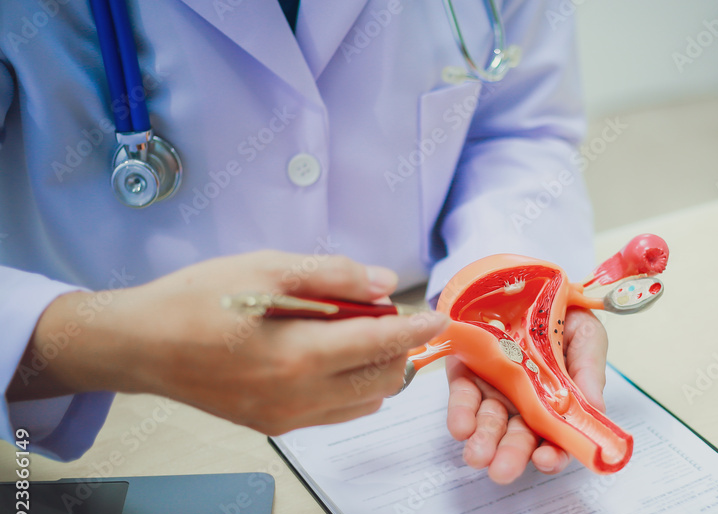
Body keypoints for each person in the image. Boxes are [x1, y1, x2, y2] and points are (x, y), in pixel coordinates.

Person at [0, 0, 608, 484]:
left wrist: (503, 277)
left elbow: (519, 128)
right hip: (105, 420)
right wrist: (109, 343)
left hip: (410, 398)